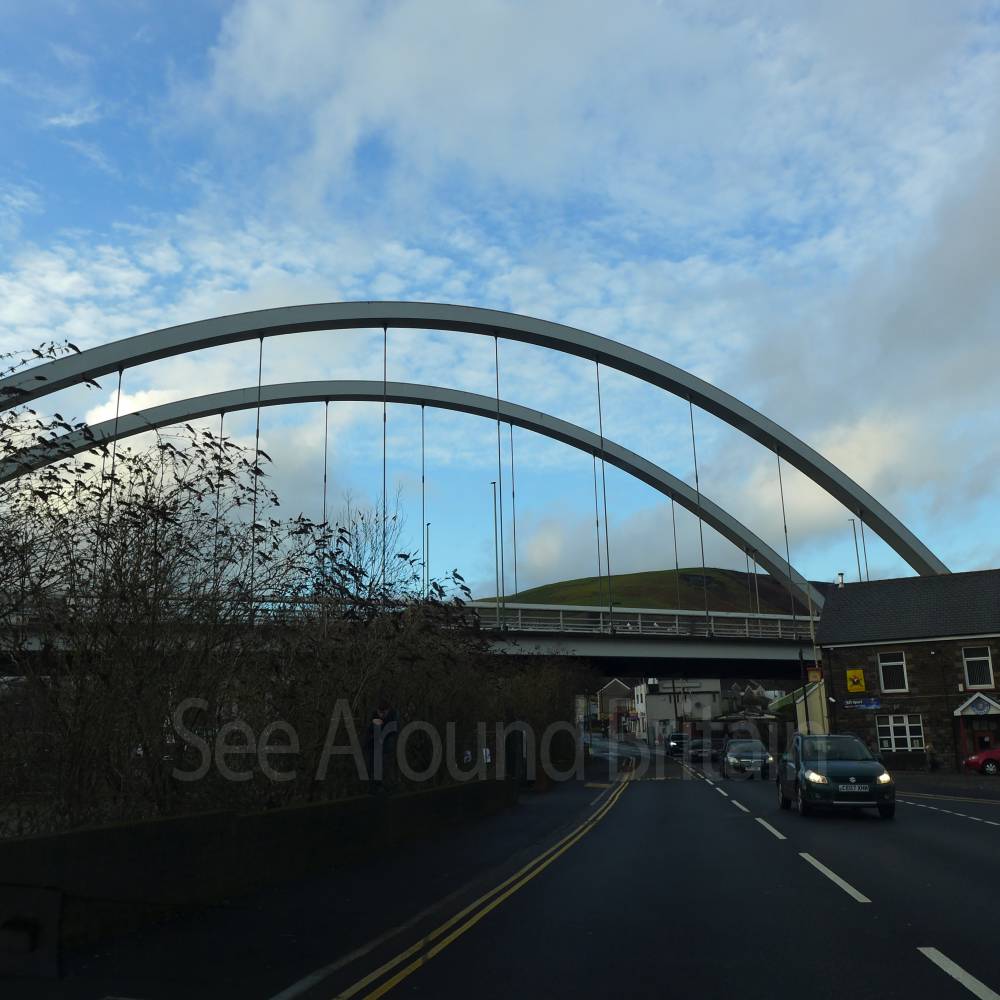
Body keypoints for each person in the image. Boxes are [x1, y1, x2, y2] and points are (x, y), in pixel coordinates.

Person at [366, 697, 399, 794]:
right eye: (380, 712)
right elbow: (370, 730)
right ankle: (376, 786)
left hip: (387, 747)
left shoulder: (393, 715)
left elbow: (392, 732)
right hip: (375, 746)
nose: (381, 715)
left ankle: (388, 787)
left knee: (386, 766)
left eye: (383, 713)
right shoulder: (375, 715)